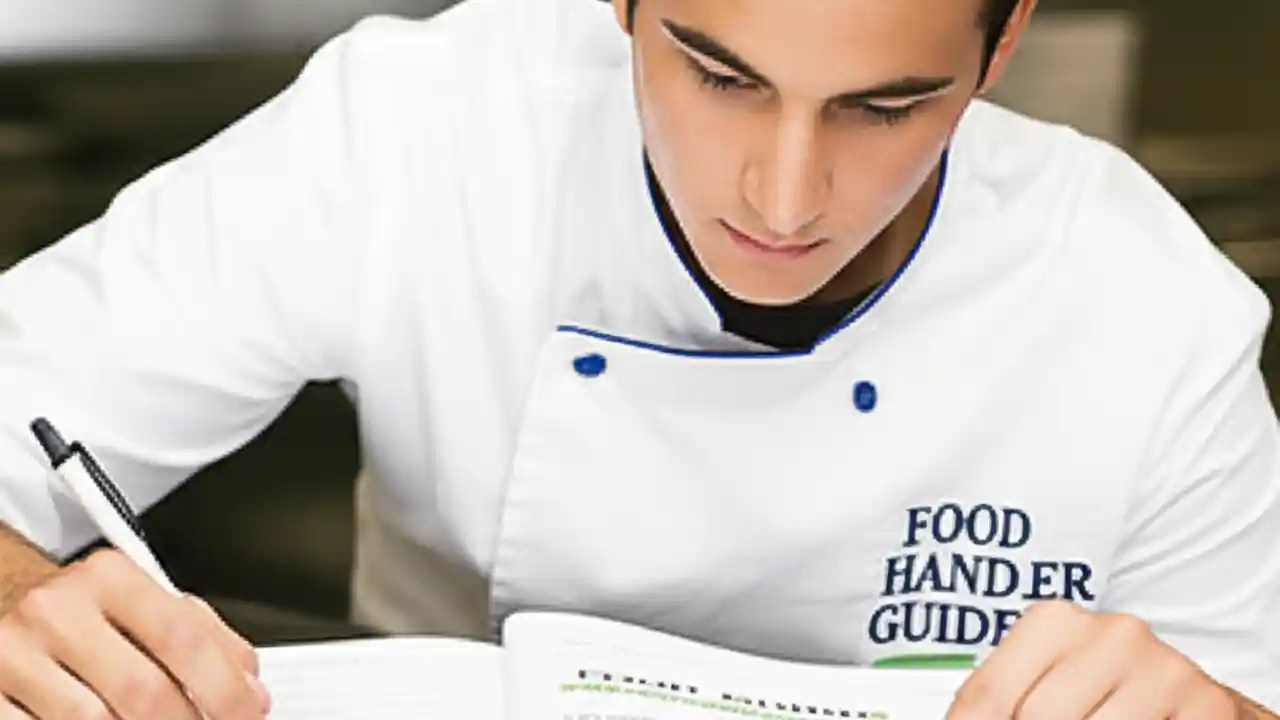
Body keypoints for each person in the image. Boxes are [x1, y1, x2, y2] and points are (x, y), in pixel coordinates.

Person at [0, 0, 1276, 716]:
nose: (782, 200)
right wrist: (18, 604)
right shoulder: (418, 132)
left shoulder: (1146, 309)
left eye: (883, 108)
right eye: (717, 76)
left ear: (999, 54)